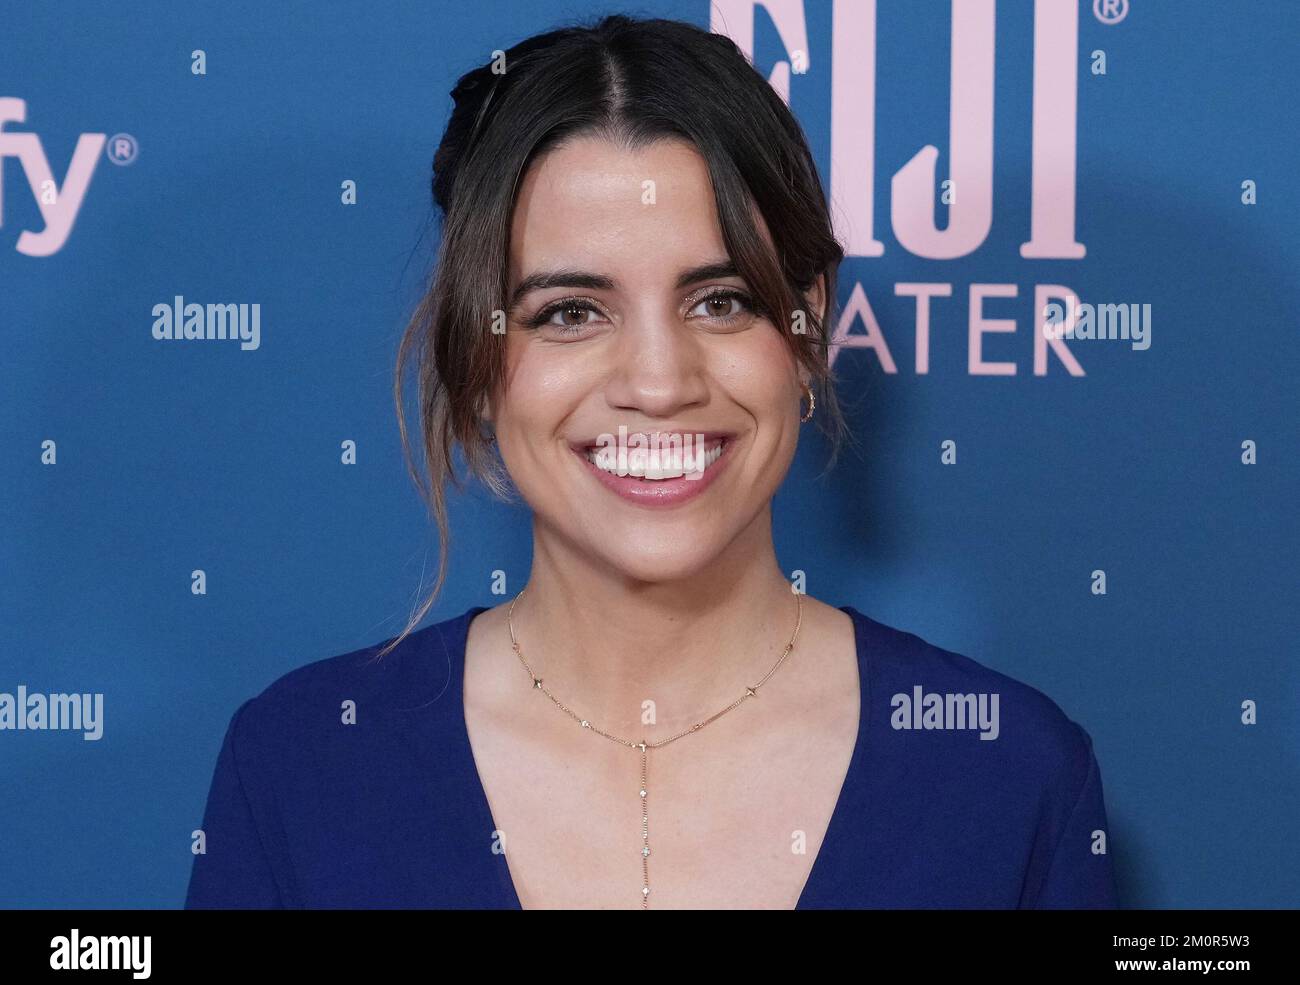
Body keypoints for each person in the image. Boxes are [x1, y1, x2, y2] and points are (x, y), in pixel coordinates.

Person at [186, 13, 1118, 909]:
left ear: (807, 328)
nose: (659, 381)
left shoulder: (1006, 773)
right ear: (474, 362)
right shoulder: (302, 769)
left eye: (721, 301)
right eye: (570, 312)